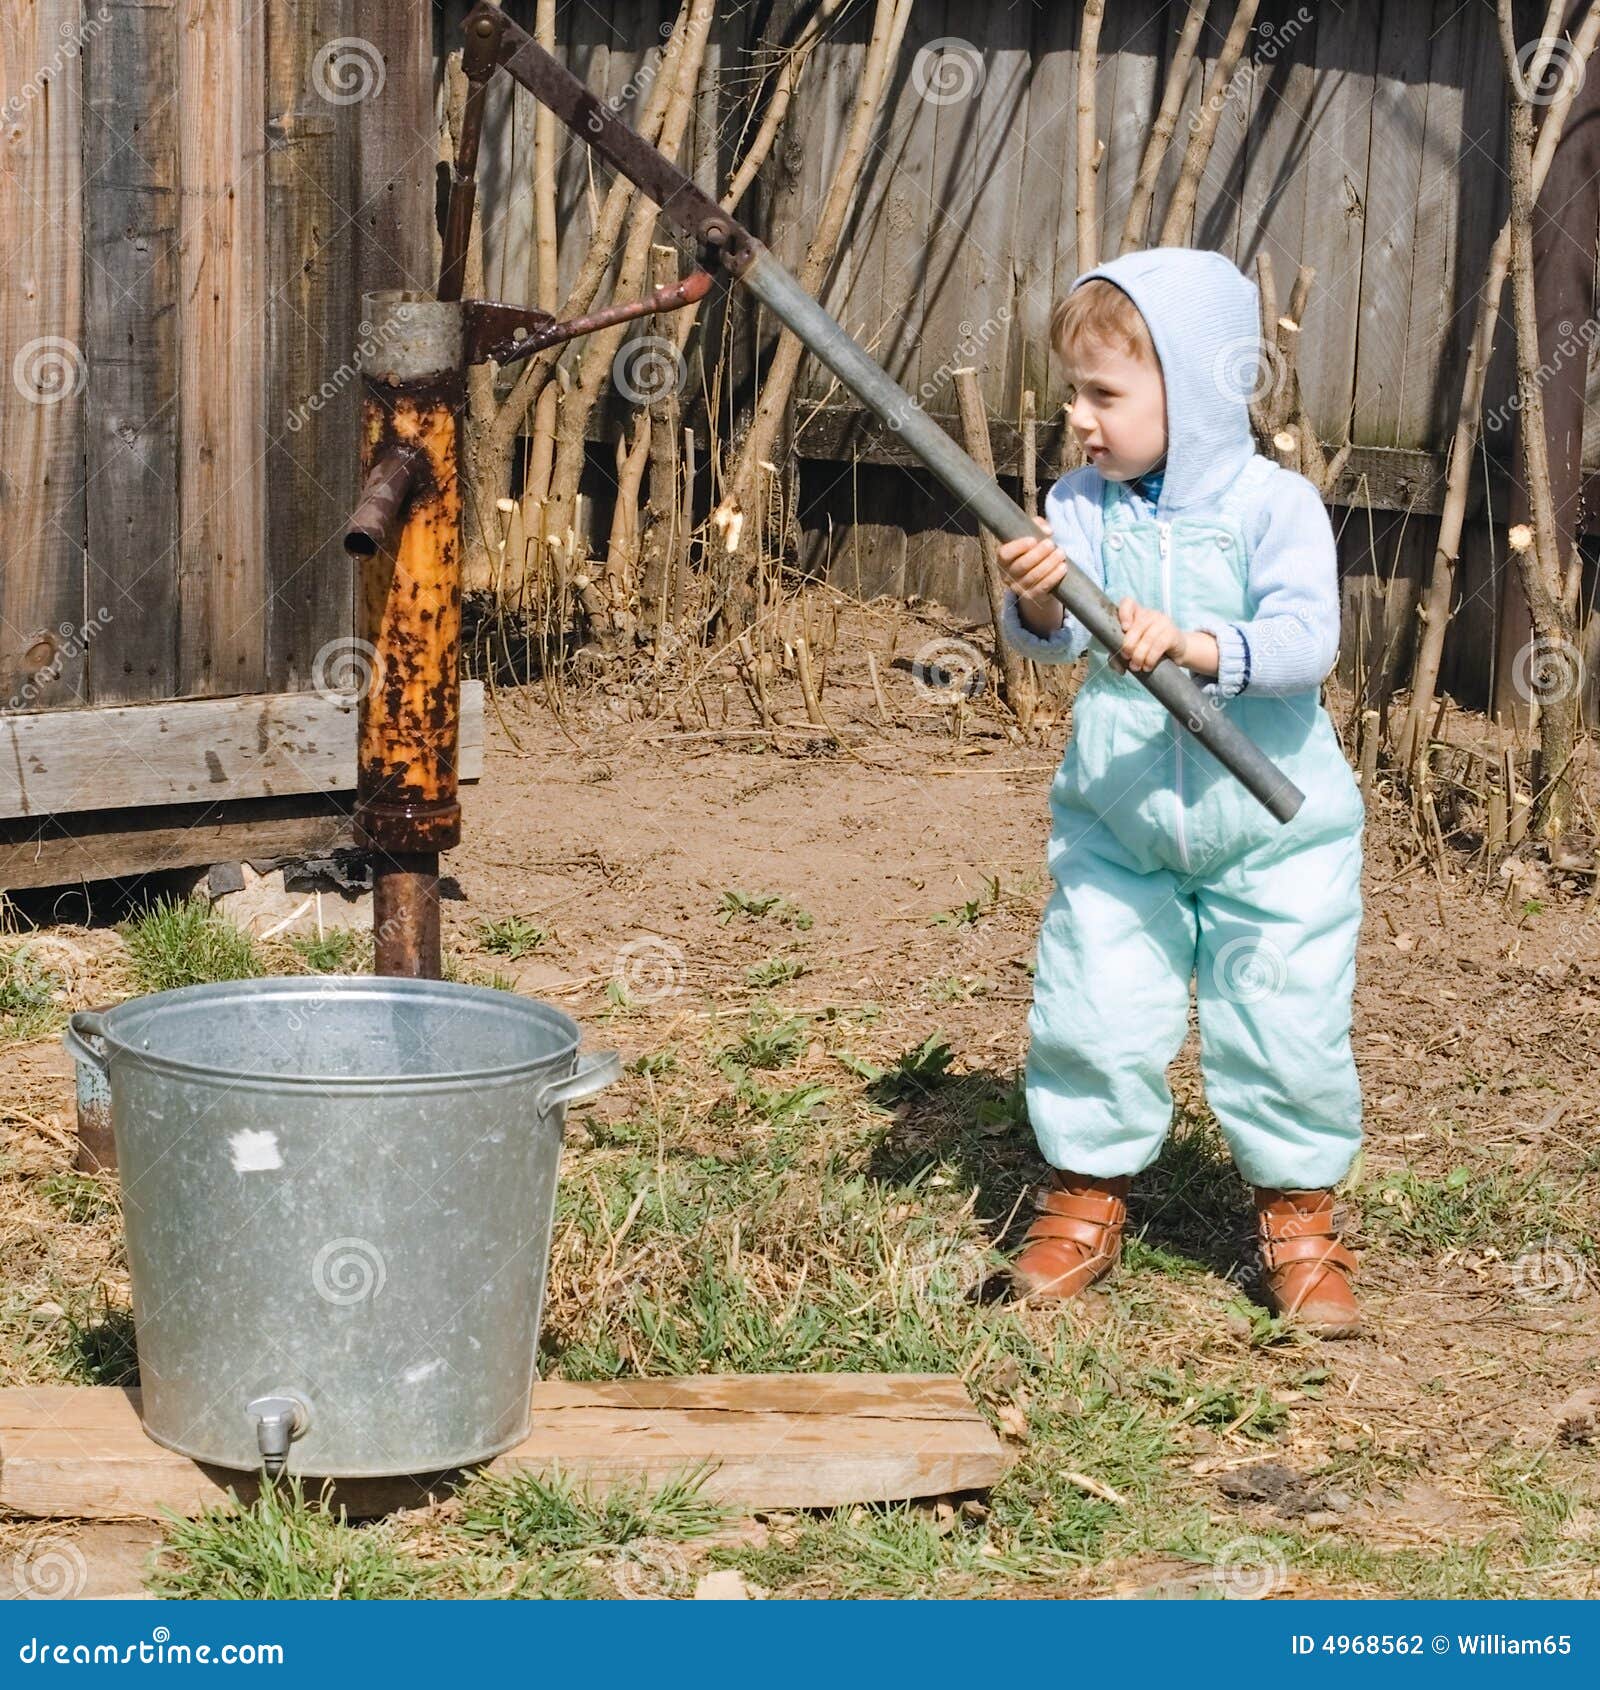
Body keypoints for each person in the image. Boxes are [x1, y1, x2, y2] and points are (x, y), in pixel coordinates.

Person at [995, 246, 1367, 1337]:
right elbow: (1051, 652)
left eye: (1103, 394)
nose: (1079, 418)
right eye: (1073, 392)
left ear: (1198, 394)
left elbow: (1308, 640)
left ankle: (1297, 1216)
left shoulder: (1273, 505)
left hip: (1274, 832)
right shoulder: (1080, 503)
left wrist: (1200, 646)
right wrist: (1044, 606)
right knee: (1091, 1007)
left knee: (1284, 1023)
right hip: (1122, 823)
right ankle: (1084, 1192)